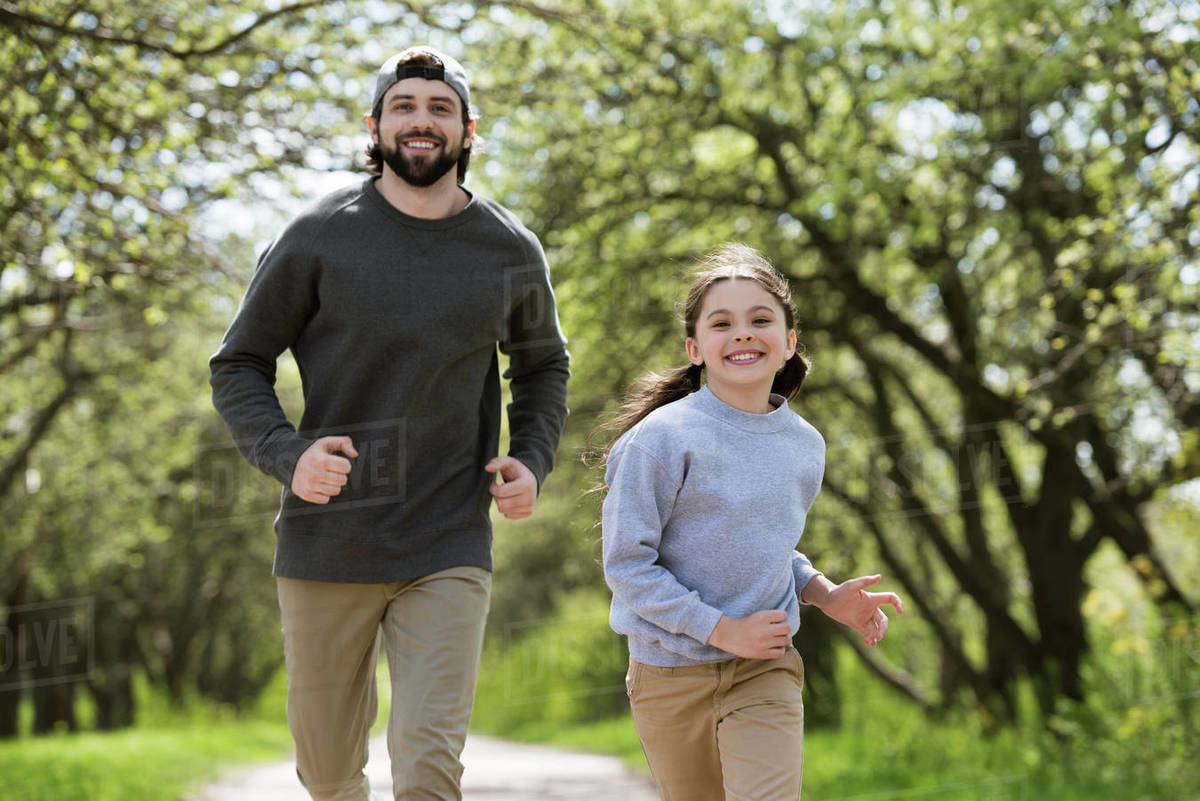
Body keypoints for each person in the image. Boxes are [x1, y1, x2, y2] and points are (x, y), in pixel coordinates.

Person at [209, 45, 570, 801]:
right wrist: (288, 455)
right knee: (330, 773)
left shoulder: (509, 250)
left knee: (428, 762)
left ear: (470, 132)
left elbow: (541, 367)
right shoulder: (318, 234)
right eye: (404, 106)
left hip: (448, 536)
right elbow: (238, 362)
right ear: (374, 127)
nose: (421, 121)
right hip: (326, 537)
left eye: (440, 109)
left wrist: (531, 457)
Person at [599, 243, 902, 801]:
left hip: (763, 669)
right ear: (695, 348)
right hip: (668, 673)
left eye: (760, 320)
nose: (742, 333)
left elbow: (770, 547)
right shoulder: (660, 441)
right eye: (722, 323)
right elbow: (628, 567)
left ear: (789, 342)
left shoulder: (804, 446)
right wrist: (720, 629)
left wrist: (823, 593)